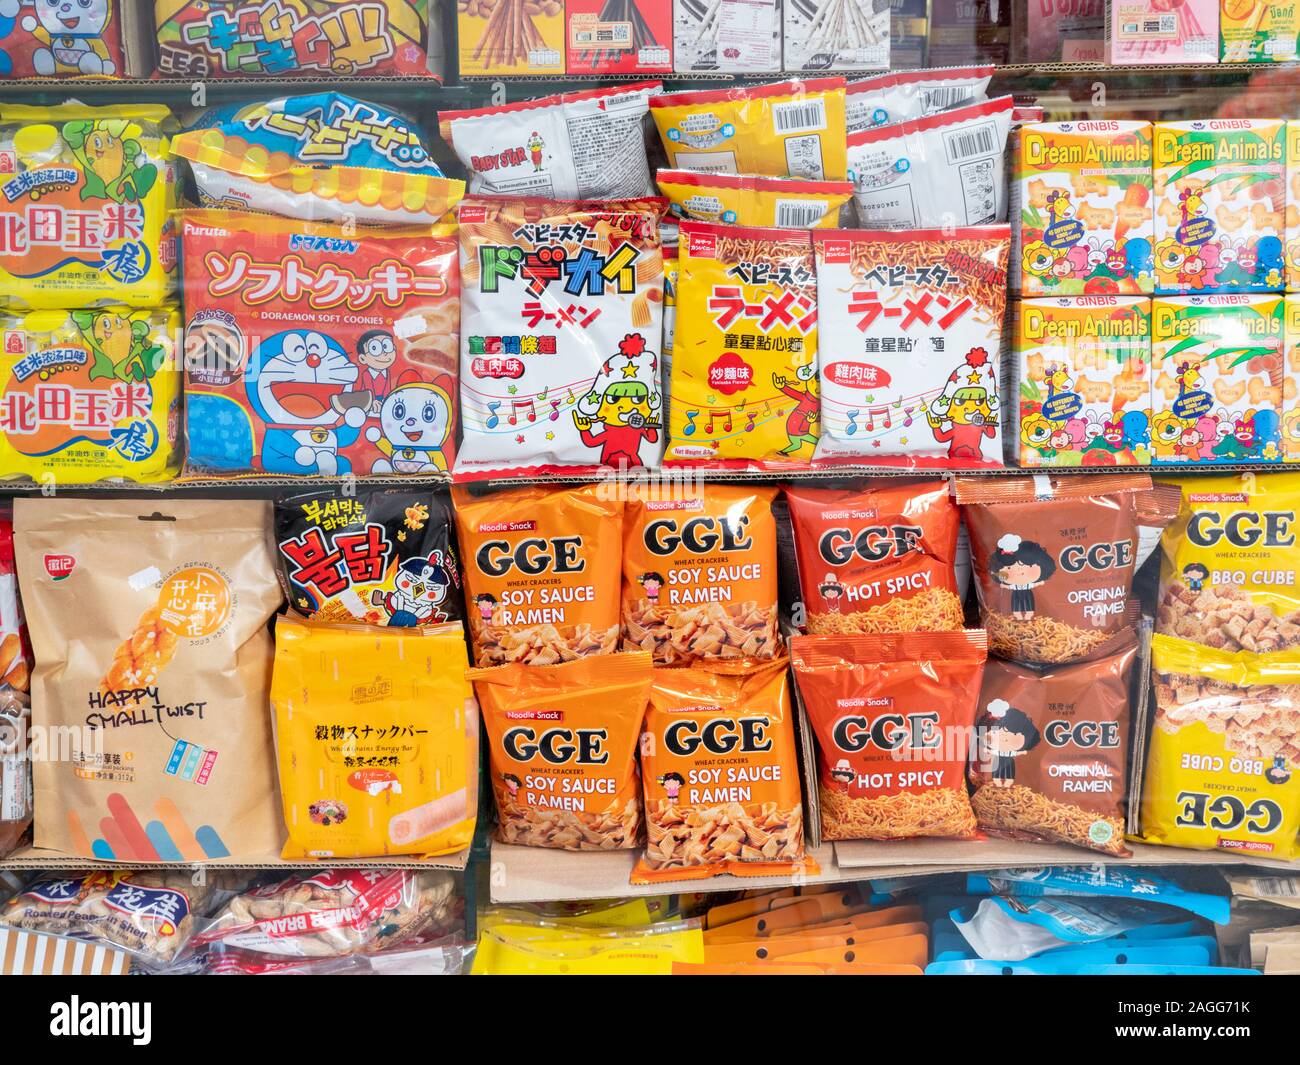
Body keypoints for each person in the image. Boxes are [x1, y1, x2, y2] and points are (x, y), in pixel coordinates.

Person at [987, 533, 1056, 620]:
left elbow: (1035, 584)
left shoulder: (1029, 585)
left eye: (1029, 565)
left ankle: (1028, 617)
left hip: (1027, 593)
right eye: (1009, 567)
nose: (1019, 570)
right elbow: (1007, 586)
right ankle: (1018, 618)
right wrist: (1003, 585)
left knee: (1029, 607)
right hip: (1016, 594)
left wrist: (1039, 583)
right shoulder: (1013, 585)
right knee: (1016, 607)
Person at [976, 699, 1040, 786]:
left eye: (1014, 734)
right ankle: (998, 784)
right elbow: (992, 751)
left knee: (1009, 775)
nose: (1004, 738)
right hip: (997, 762)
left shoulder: (1010, 752)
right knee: (996, 774)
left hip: (1008, 762)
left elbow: (1016, 752)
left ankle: (1006, 785)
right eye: (995, 732)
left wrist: (1023, 751)